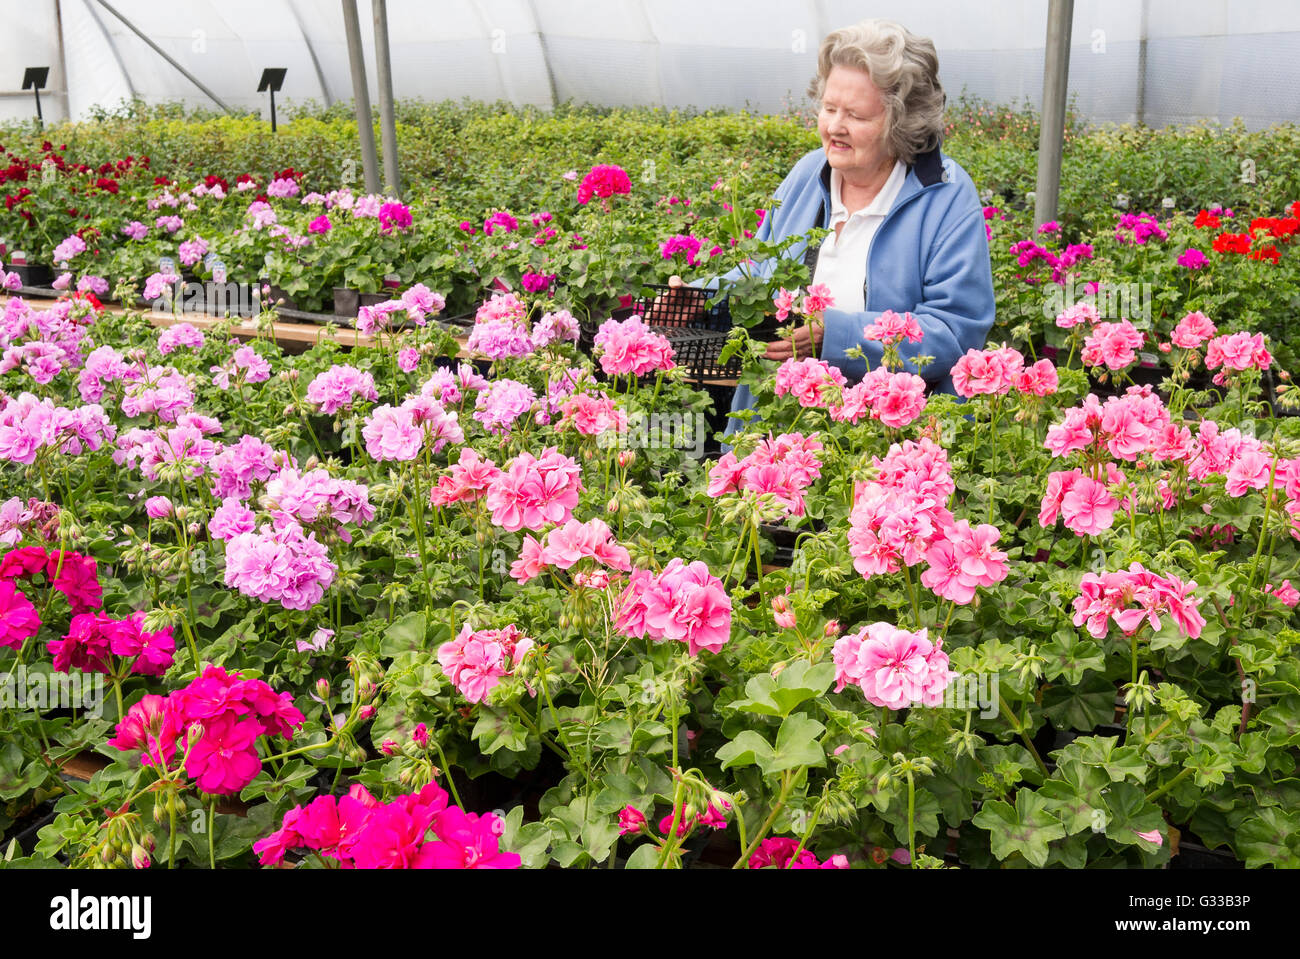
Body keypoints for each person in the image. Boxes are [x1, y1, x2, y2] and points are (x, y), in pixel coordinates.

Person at [650, 18, 995, 429]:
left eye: (856, 115)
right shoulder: (808, 173)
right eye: (829, 108)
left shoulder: (945, 195)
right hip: (778, 421)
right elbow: (762, 274)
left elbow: (955, 332)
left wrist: (834, 336)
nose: (834, 127)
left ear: (902, 121)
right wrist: (704, 297)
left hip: (885, 435)